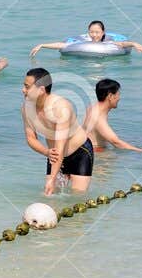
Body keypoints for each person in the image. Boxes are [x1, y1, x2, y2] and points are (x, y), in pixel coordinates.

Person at [23, 68, 94, 196]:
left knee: (77, 197)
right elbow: (30, 138)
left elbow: (60, 147)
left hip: (79, 153)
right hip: (53, 155)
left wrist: (52, 179)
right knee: (51, 197)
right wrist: (46, 152)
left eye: (27, 87)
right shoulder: (27, 108)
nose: (23, 90)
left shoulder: (60, 107)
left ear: (41, 90)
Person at [85, 78, 142, 152]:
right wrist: (141, 151)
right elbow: (116, 142)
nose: (119, 98)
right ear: (110, 96)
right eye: (118, 94)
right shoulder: (98, 117)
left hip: (90, 150)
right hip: (97, 154)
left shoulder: (92, 108)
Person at [30, 20, 142, 57]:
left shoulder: (109, 41)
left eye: (97, 32)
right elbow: (63, 45)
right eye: (91, 32)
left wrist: (134, 44)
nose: (94, 35)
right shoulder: (83, 42)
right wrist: (42, 45)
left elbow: (122, 44)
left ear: (103, 32)